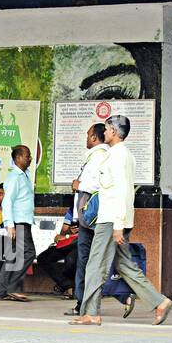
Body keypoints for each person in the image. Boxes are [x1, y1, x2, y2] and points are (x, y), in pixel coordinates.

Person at [71, 115, 172, 327]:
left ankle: (91, 313)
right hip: (116, 219)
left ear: (115, 132)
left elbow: (121, 192)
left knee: (95, 265)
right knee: (124, 264)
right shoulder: (121, 155)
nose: (105, 133)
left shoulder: (118, 157)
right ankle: (159, 302)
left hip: (110, 220)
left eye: (107, 129)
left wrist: (118, 226)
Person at [67, 122, 110, 316]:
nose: (86, 138)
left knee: (87, 261)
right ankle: (82, 302)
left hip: (91, 217)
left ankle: (81, 303)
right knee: (92, 260)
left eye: (88, 135)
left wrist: (79, 184)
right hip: (88, 216)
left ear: (94, 137)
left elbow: (99, 185)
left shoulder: (99, 157)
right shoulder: (96, 156)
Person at [0, 144, 35, 302]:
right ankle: (13, 287)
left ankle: (1, 291)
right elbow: (7, 202)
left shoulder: (24, 175)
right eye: (27, 156)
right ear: (18, 158)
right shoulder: (14, 177)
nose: (30, 158)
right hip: (18, 222)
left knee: (12, 257)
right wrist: (9, 224)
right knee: (29, 253)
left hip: (23, 221)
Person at [35, 212, 81, 296]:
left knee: (71, 259)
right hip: (68, 243)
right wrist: (68, 232)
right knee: (43, 258)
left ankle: (68, 287)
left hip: (82, 245)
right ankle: (67, 286)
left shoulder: (91, 208)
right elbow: (63, 232)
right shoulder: (72, 211)